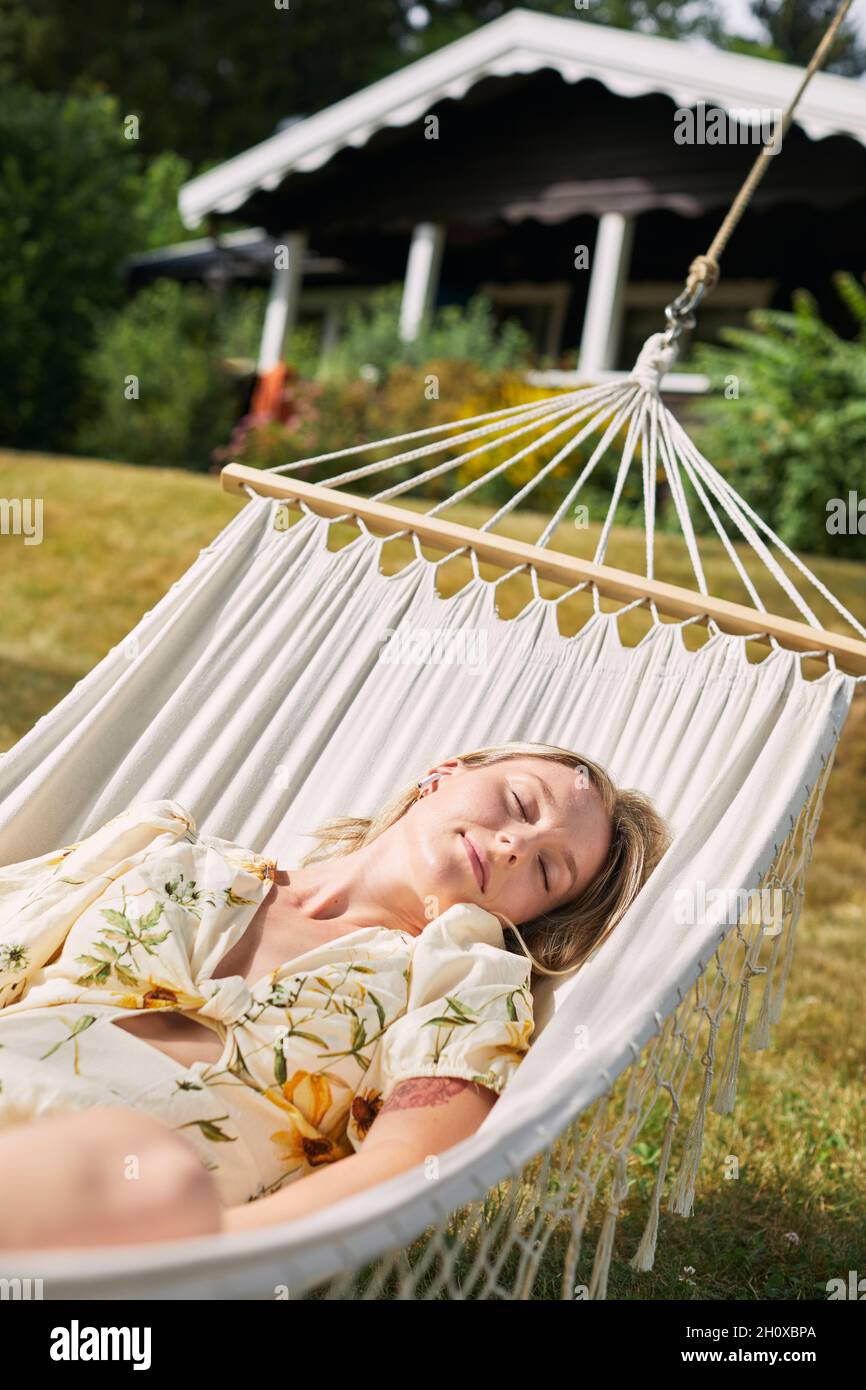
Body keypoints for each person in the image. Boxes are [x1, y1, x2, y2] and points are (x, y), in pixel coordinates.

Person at [0, 741, 672, 1251]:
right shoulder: (165, 852)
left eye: (549, 869)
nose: (514, 845)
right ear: (445, 773)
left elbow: (408, 1164)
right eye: (522, 806)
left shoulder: (460, 986)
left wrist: (208, 1255)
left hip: (132, 1198)